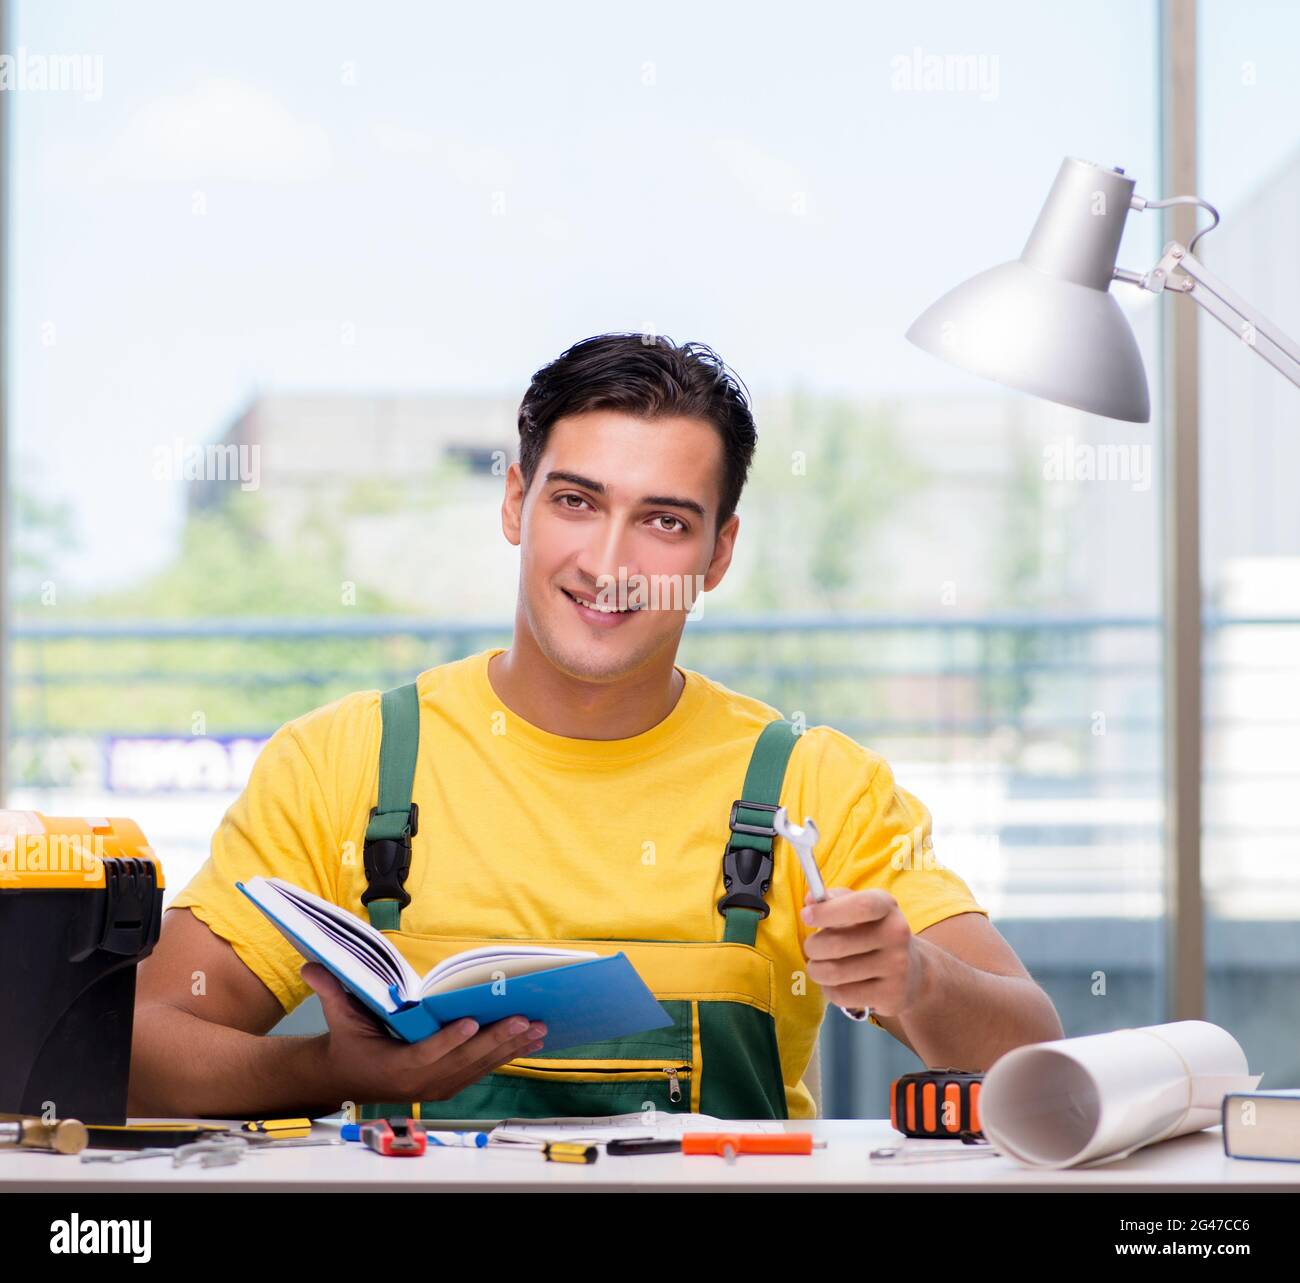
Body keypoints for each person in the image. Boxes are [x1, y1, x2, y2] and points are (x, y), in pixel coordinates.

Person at [130, 333, 1063, 1122]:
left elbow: (1036, 1052)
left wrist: (919, 980)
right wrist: (327, 1072)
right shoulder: (347, 765)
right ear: (515, 504)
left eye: (663, 520)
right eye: (577, 502)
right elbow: (138, 1044)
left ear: (718, 554)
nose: (609, 563)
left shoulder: (813, 787)